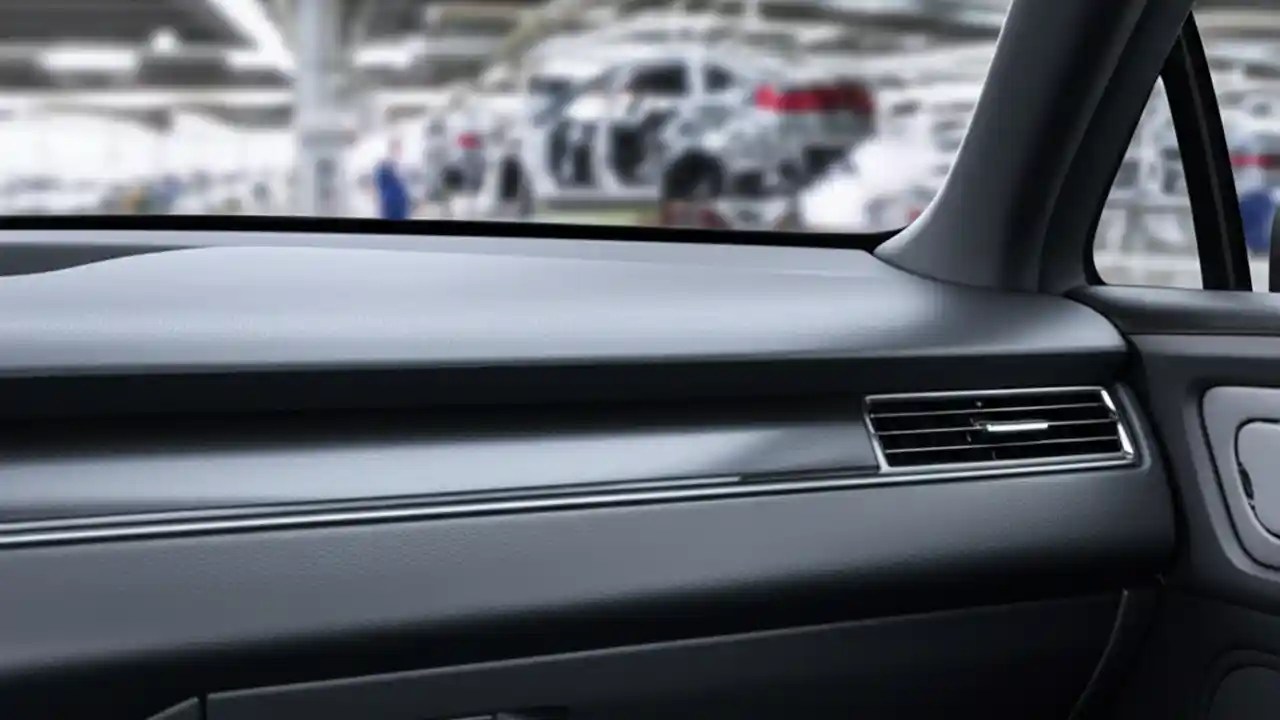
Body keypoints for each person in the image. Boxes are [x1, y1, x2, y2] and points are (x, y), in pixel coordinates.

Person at [373, 138, 411, 220]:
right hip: (390, 203)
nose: (399, 151)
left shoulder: (401, 166)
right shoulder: (384, 165)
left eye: (399, 148)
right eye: (396, 148)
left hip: (400, 204)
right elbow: (379, 183)